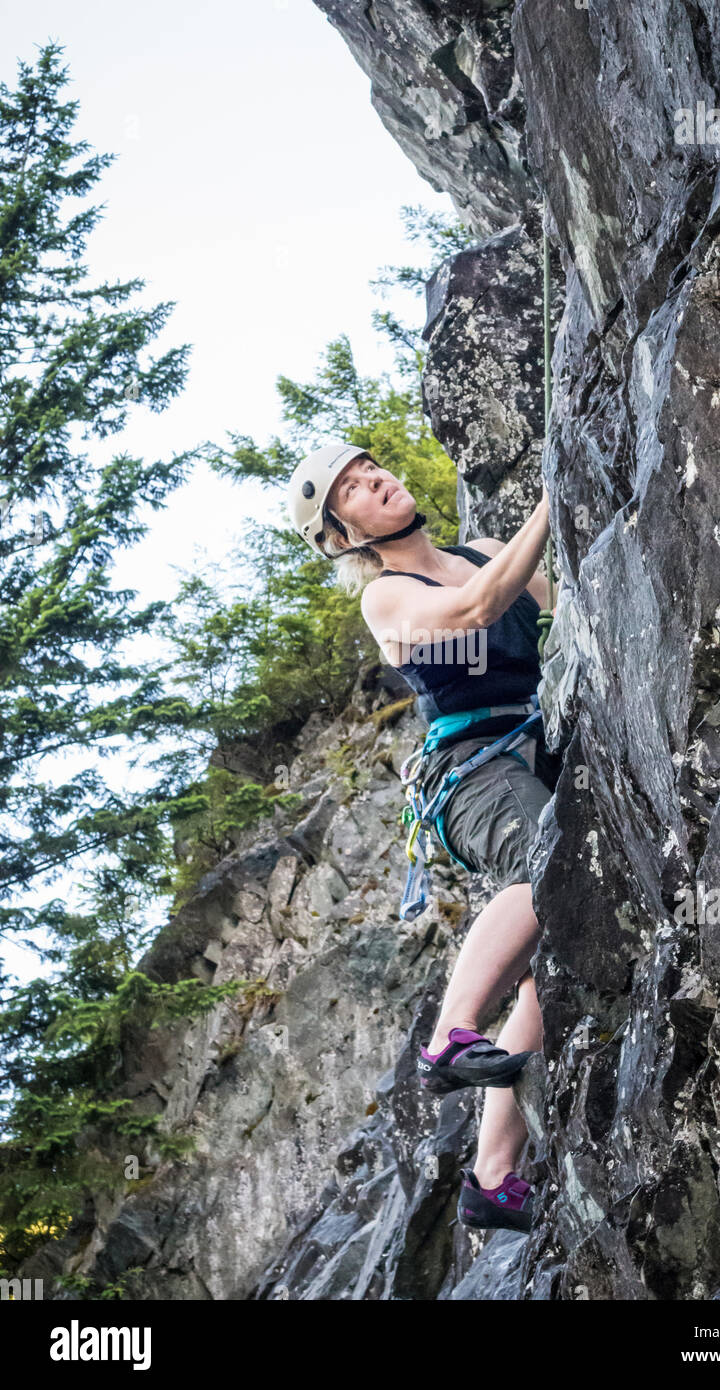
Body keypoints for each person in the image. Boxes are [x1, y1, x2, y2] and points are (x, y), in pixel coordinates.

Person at [287, 442, 560, 1235]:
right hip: (473, 770)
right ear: (344, 537)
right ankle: (449, 1035)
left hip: (540, 741)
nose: (375, 480)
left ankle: (493, 1175)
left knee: (552, 957)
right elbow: (477, 608)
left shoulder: (479, 551)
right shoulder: (388, 598)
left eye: (371, 469)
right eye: (353, 490)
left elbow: (552, 608)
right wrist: (557, 494)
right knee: (549, 860)